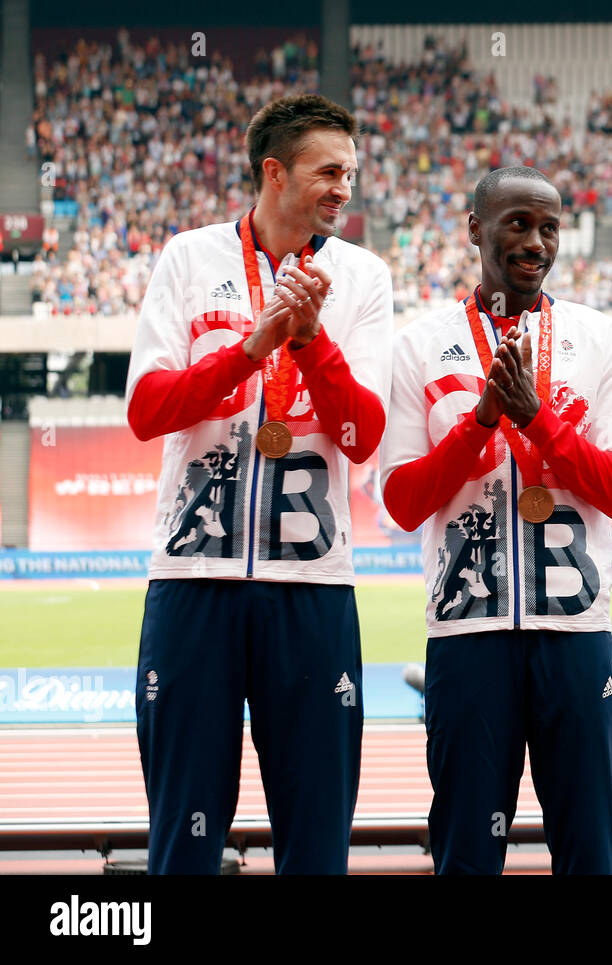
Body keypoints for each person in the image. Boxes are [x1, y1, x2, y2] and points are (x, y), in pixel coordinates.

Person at [125, 93, 393, 874]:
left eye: (351, 171)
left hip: (311, 585)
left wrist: (310, 346)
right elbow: (146, 411)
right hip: (192, 581)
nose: (345, 186)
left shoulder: (362, 277)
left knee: (315, 844)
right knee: (185, 835)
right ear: (274, 172)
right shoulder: (188, 258)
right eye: (329, 171)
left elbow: (362, 435)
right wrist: (248, 349)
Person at [379, 166, 612, 875]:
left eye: (549, 226)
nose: (535, 241)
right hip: (468, 635)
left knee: (589, 849)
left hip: (576, 633)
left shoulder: (601, 339)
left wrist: (539, 420)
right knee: (467, 849)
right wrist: (479, 424)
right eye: (517, 223)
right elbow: (401, 502)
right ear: (475, 230)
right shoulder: (418, 345)